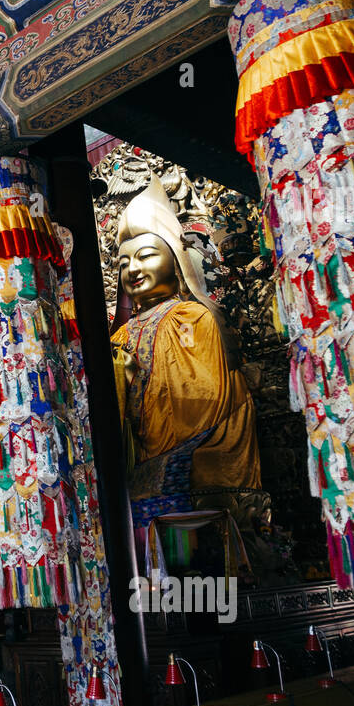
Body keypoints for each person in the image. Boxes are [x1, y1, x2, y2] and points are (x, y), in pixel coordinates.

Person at [109, 179, 262, 535]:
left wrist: (131, 376)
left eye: (146, 256)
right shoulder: (120, 334)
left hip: (202, 438)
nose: (132, 269)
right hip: (142, 450)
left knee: (196, 476)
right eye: (123, 263)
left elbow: (205, 396)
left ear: (175, 264)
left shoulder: (192, 318)